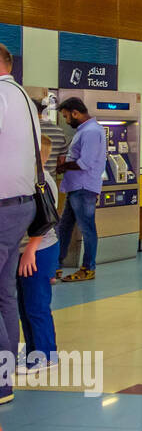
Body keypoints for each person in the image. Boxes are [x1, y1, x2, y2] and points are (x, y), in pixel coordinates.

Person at [0, 43, 41, 404]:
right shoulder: (26, 99)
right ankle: (5, 374)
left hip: (0, 208)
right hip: (22, 207)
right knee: (5, 294)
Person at [53, 97, 107, 283]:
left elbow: (85, 163)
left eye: (67, 116)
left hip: (84, 188)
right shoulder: (86, 130)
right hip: (76, 187)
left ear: (75, 113)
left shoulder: (91, 132)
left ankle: (87, 269)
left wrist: (64, 166)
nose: (67, 121)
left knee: (87, 229)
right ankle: (56, 266)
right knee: (64, 227)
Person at [17, 135, 58, 372]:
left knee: (36, 304)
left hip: (38, 250)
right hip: (28, 250)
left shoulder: (41, 182)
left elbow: (45, 221)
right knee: (25, 305)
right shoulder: (29, 178)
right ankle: (34, 351)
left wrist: (30, 250)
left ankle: (46, 354)